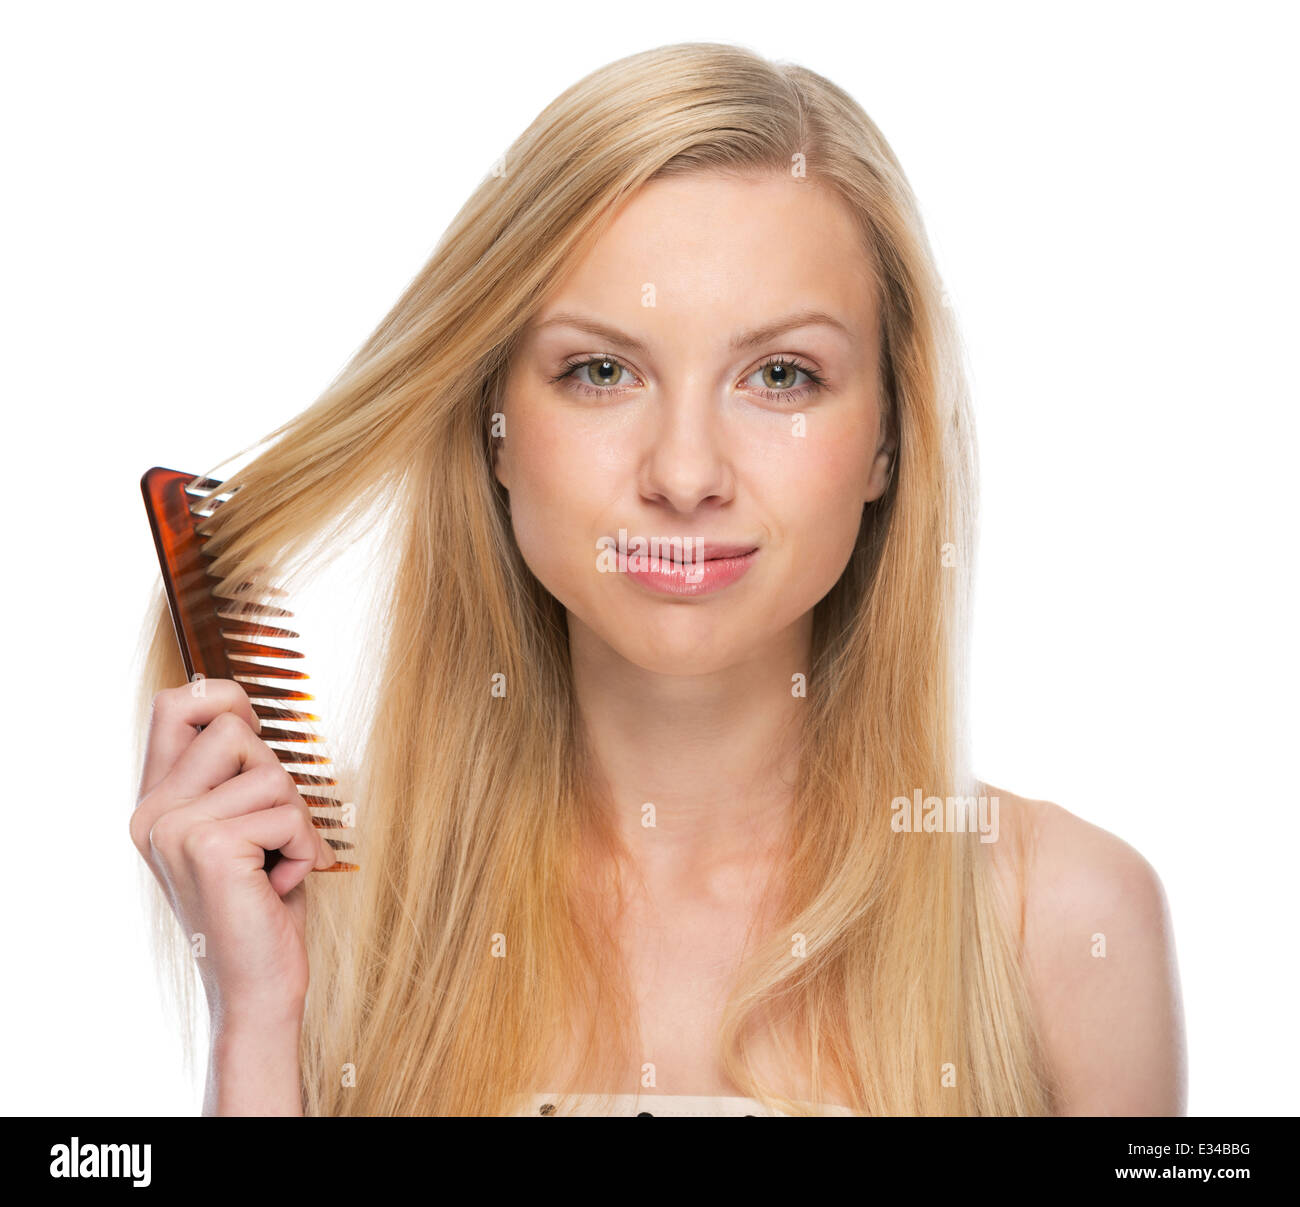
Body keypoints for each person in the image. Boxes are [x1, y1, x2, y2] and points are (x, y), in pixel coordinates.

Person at [130, 41, 1186, 1116]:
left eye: (781, 376)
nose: (684, 475)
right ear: (495, 428)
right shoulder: (328, 908)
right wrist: (256, 1022)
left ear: (886, 439)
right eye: (602, 371)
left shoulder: (1062, 921)